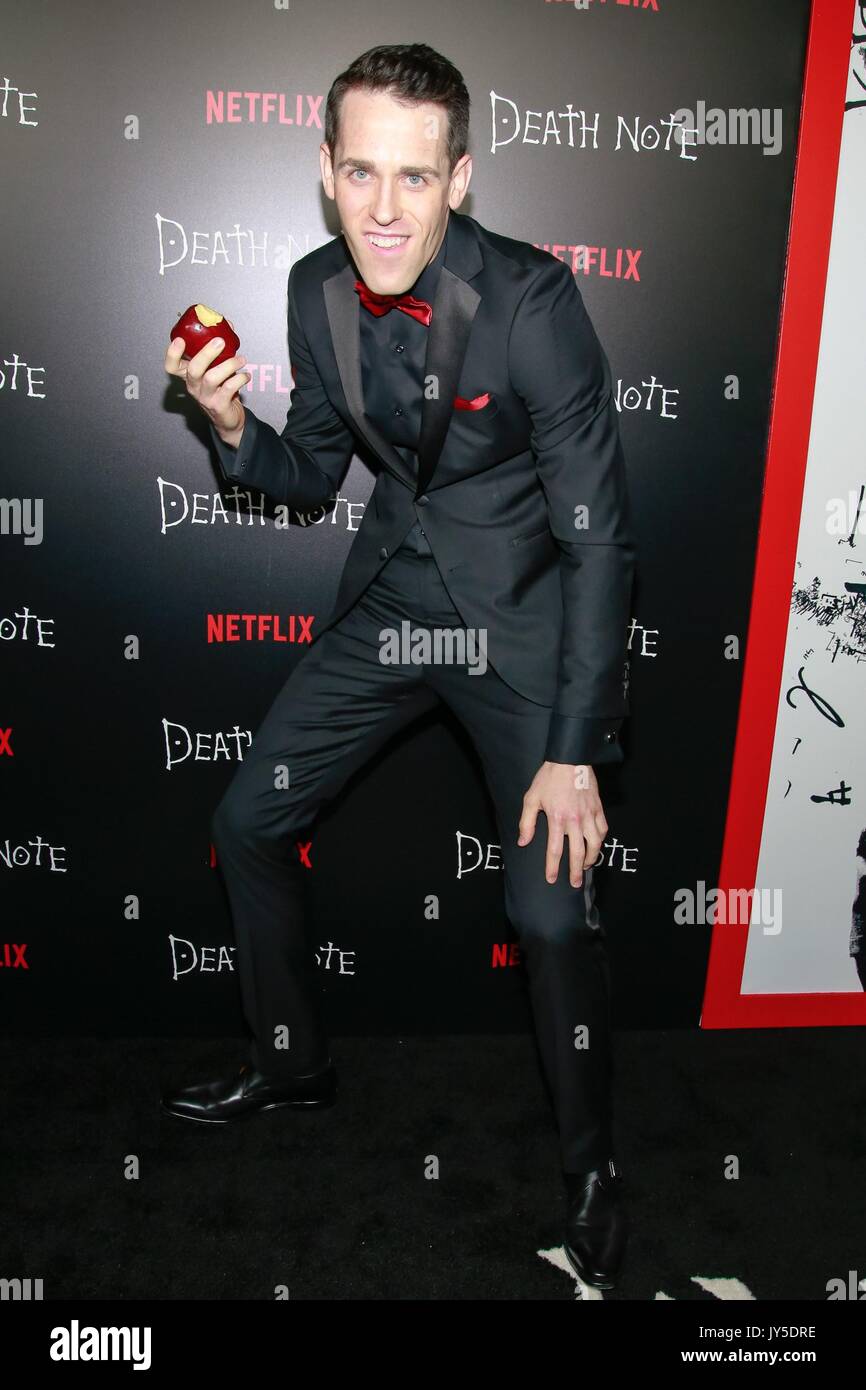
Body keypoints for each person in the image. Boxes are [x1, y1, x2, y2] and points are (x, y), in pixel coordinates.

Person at [162, 41, 635, 1291]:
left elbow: (600, 539)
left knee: (546, 908)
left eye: (414, 179)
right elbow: (312, 474)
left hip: (521, 633)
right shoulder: (315, 289)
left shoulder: (534, 303)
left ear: (459, 179)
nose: (383, 209)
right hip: (388, 607)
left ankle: (591, 1166)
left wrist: (574, 748)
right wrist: (225, 425)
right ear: (325, 172)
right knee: (247, 816)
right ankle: (290, 1057)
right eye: (359, 173)